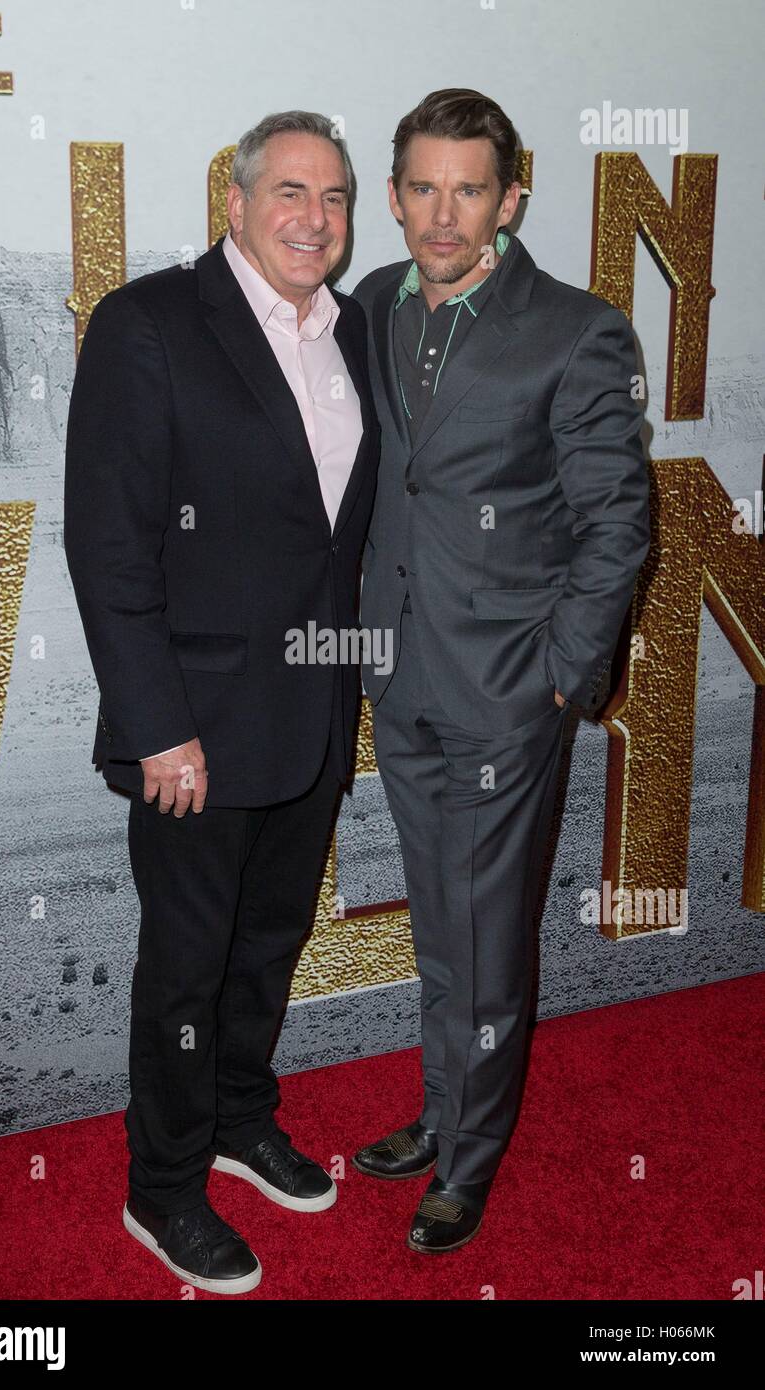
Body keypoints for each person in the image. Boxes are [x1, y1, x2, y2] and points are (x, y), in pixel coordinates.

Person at [64, 111, 379, 1294]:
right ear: (235, 204)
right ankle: (164, 1185)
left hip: (310, 709)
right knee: (186, 964)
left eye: (336, 196)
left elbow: (330, 542)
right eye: (290, 191)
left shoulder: (352, 329)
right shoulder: (148, 324)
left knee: (269, 941)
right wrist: (155, 722)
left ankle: (242, 1116)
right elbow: (109, 546)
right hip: (190, 725)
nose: (314, 217)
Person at [351, 88, 650, 1253]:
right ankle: (442, 1107)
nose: (441, 213)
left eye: (466, 188)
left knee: (484, 929)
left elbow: (616, 520)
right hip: (400, 670)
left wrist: (560, 679)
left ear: (508, 197)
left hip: (506, 687)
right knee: (443, 922)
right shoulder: (373, 303)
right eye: (420, 187)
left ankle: (465, 1161)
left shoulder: (575, 329)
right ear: (391, 197)